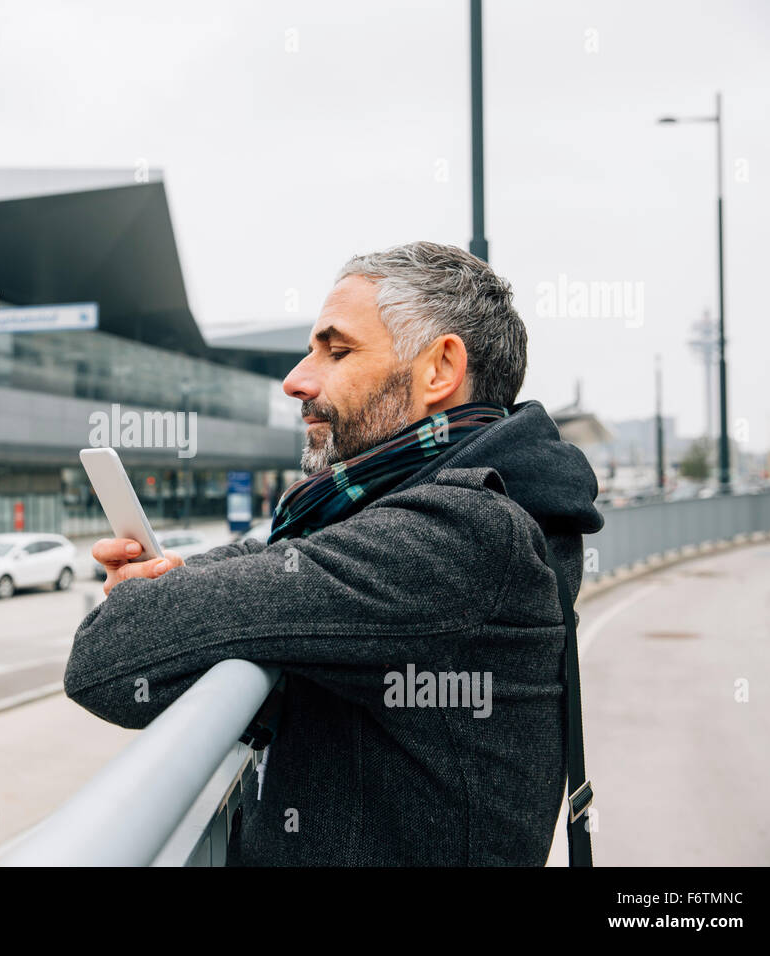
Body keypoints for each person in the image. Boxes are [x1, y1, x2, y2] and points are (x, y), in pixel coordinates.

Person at [64, 241, 603, 866]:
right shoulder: (403, 521)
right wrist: (172, 588)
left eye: (336, 349)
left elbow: (104, 660)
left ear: (439, 370)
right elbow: (149, 673)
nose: (296, 380)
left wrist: (161, 603)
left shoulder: (462, 536)